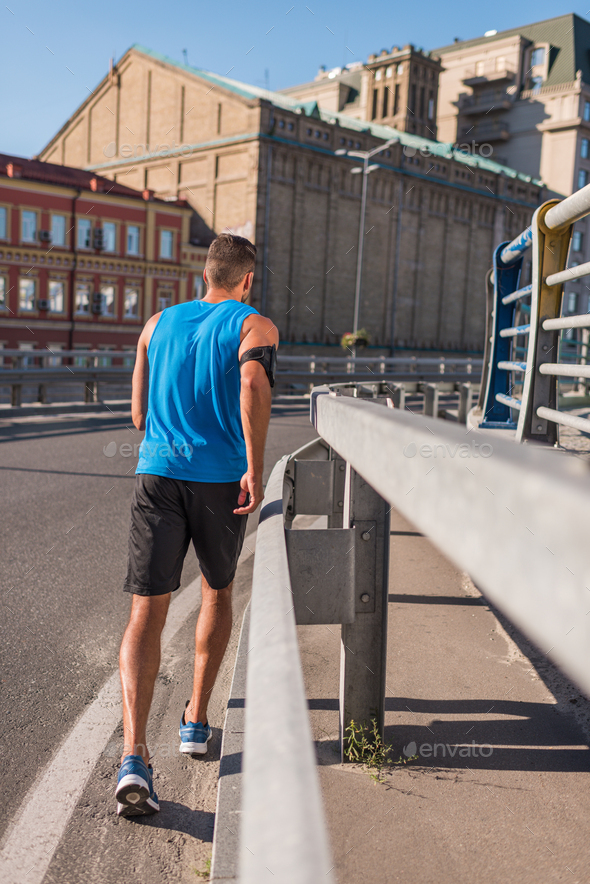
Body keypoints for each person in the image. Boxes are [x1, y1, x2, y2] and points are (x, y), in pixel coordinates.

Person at [115, 233, 278, 817]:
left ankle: (134, 756)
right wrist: (256, 470)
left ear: (204, 274)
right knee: (217, 591)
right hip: (218, 483)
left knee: (145, 612)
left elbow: (137, 414)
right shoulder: (254, 326)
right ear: (246, 280)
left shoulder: (156, 324)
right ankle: (195, 722)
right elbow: (253, 384)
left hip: (157, 475)